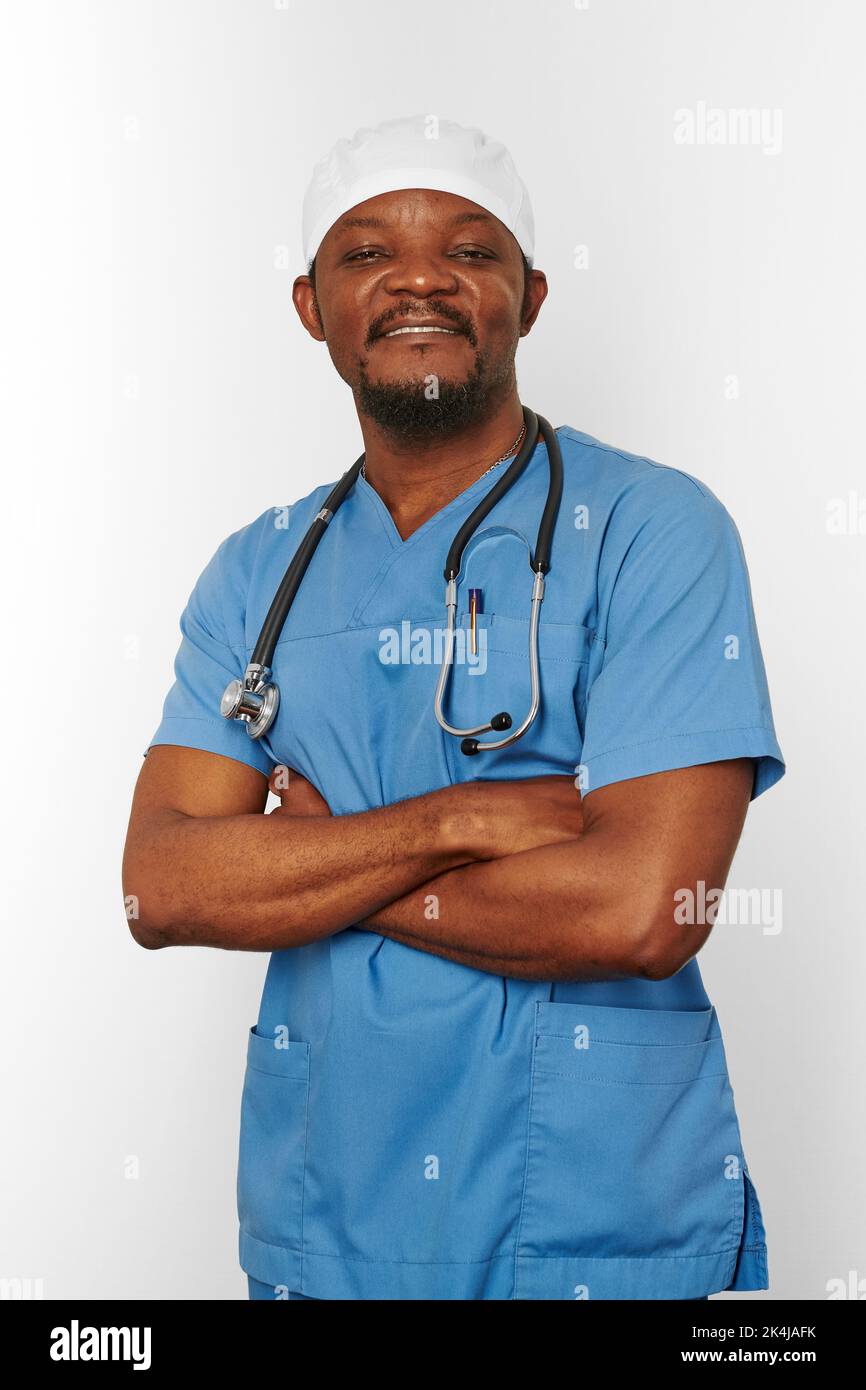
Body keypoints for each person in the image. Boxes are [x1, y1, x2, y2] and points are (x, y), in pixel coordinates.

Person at [122, 114, 785, 1301]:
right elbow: (162, 886)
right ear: (309, 305)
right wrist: (461, 819)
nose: (419, 277)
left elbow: (644, 908)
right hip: (327, 1221)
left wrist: (305, 866)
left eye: (470, 252)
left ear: (528, 299)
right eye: (367, 252)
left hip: (594, 1226)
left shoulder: (652, 531)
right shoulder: (256, 572)